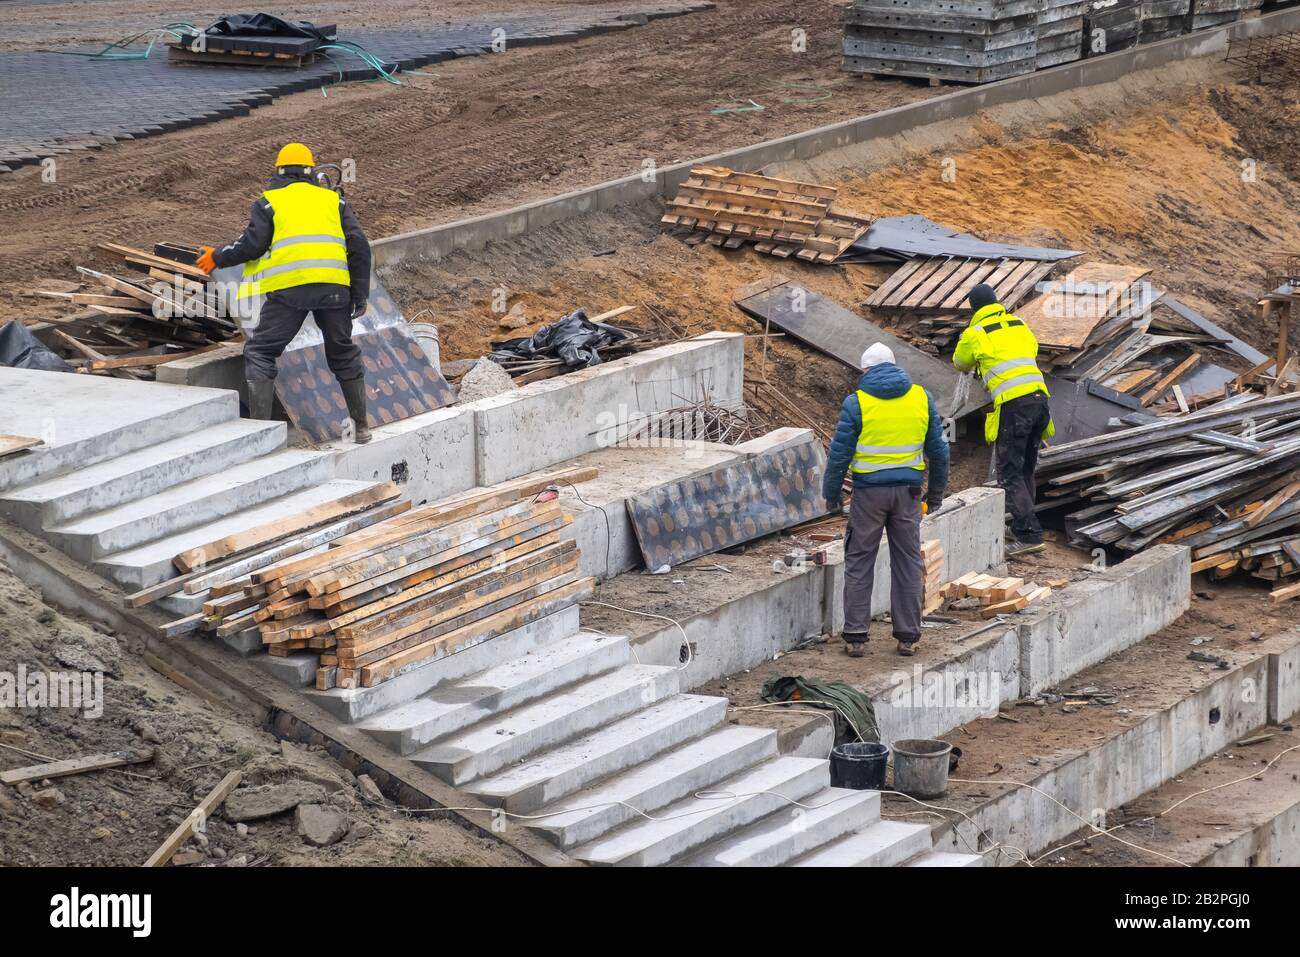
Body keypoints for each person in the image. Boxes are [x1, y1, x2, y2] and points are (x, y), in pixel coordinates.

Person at [196, 142, 374, 443]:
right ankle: (362, 427)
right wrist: (360, 294)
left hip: (289, 291)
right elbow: (359, 247)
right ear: (311, 171)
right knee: (342, 352)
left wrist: (217, 257)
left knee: (261, 352)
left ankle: (262, 435)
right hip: (333, 290)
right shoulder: (333, 202)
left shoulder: (269, 203)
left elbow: (252, 246)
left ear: (278, 171)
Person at [822, 343, 950, 658]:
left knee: (859, 560)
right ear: (895, 367)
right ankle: (908, 636)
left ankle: (855, 637)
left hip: (868, 496)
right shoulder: (922, 398)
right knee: (907, 562)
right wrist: (934, 495)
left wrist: (832, 496)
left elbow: (839, 455)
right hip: (908, 494)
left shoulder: (857, 404)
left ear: (865, 371)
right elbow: (939, 451)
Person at [952, 282, 1053, 551]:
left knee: (1009, 473)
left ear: (973, 307)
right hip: (1040, 401)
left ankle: (1030, 536)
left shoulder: (975, 332)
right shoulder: (1018, 323)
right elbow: (1030, 350)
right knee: (1025, 468)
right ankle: (1022, 526)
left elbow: (960, 362)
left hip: (1014, 406)